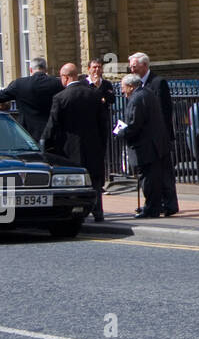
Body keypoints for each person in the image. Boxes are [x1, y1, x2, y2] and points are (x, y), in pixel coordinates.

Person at [41, 63, 110, 221]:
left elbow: (53, 124)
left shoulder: (60, 97)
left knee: (72, 182)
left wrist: (44, 143)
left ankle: (75, 212)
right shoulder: (94, 95)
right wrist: (102, 144)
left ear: (65, 77)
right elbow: (103, 124)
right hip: (93, 146)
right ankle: (98, 213)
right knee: (95, 181)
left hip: (68, 149)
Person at [129, 52, 178, 216]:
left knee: (165, 173)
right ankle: (158, 203)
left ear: (144, 65)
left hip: (160, 138)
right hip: (148, 140)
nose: (132, 69)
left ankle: (170, 204)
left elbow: (165, 111)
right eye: (131, 66)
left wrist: (164, 136)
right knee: (155, 175)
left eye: (134, 66)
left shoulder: (158, 83)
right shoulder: (137, 85)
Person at [118, 73, 170, 219]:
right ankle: (152, 206)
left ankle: (151, 209)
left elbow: (135, 125)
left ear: (130, 86)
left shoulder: (136, 99)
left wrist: (121, 133)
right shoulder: (147, 93)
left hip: (145, 147)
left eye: (123, 88)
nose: (122, 92)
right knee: (153, 178)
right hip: (154, 145)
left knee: (147, 179)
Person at [0, 57, 65, 141]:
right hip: (52, 132)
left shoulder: (20, 84)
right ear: (46, 69)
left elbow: (0, 95)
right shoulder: (57, 83)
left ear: (30, 69)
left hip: (27, 133)